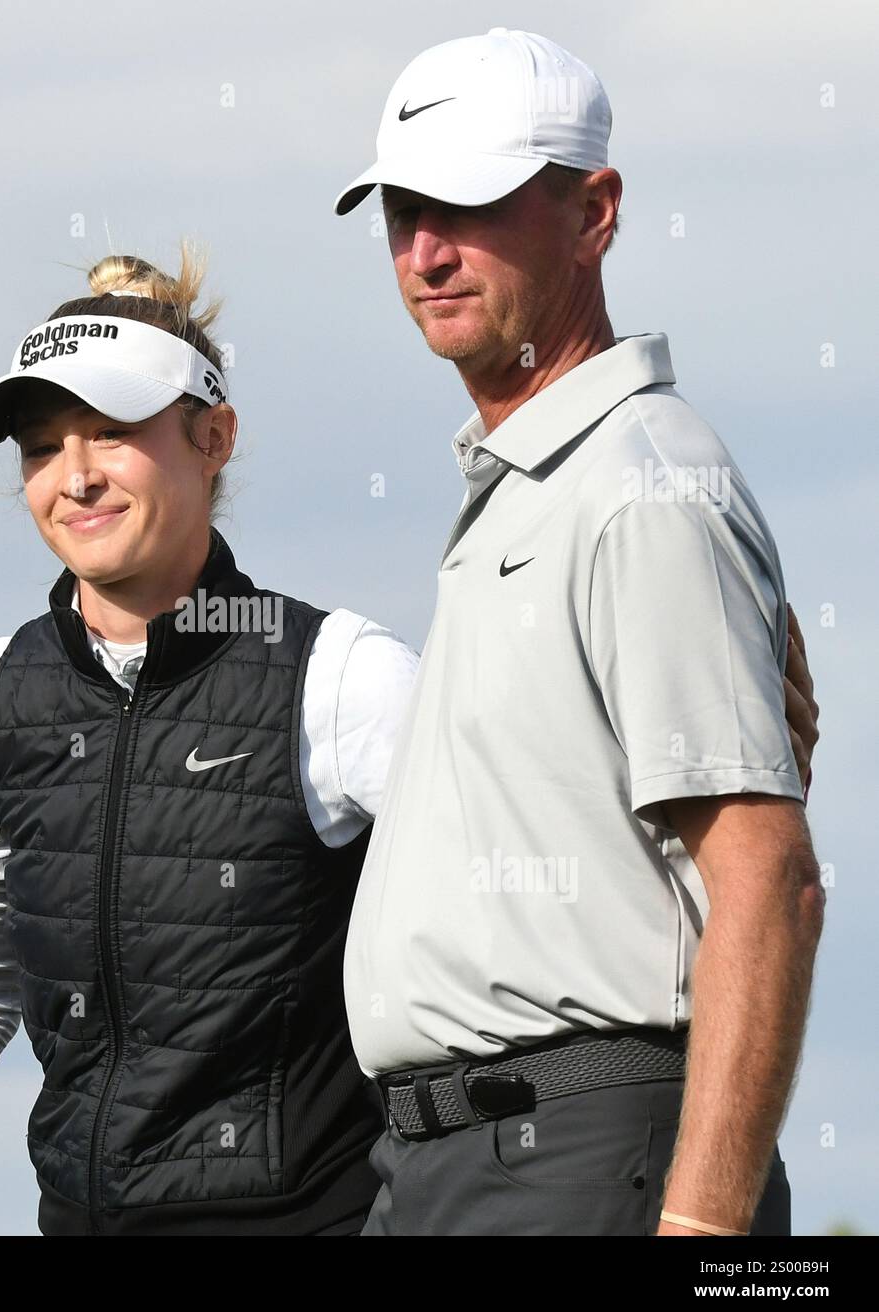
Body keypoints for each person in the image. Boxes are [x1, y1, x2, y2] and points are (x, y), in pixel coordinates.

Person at [0, 258, 819, 1237]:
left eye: (112, 433)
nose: (72, 475)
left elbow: (550, 855)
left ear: (211, 437)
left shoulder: (342, 675)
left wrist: (726, 722)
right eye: (40, 444)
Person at [333, 28, 825, 1236]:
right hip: (458, 1162)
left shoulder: (641, 479)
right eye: (402, 210)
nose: (426, 251)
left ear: (594, 210)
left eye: (472, 204)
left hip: (583, 1156)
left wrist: (704, 1233)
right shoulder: (544, 479)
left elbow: (771, 881)